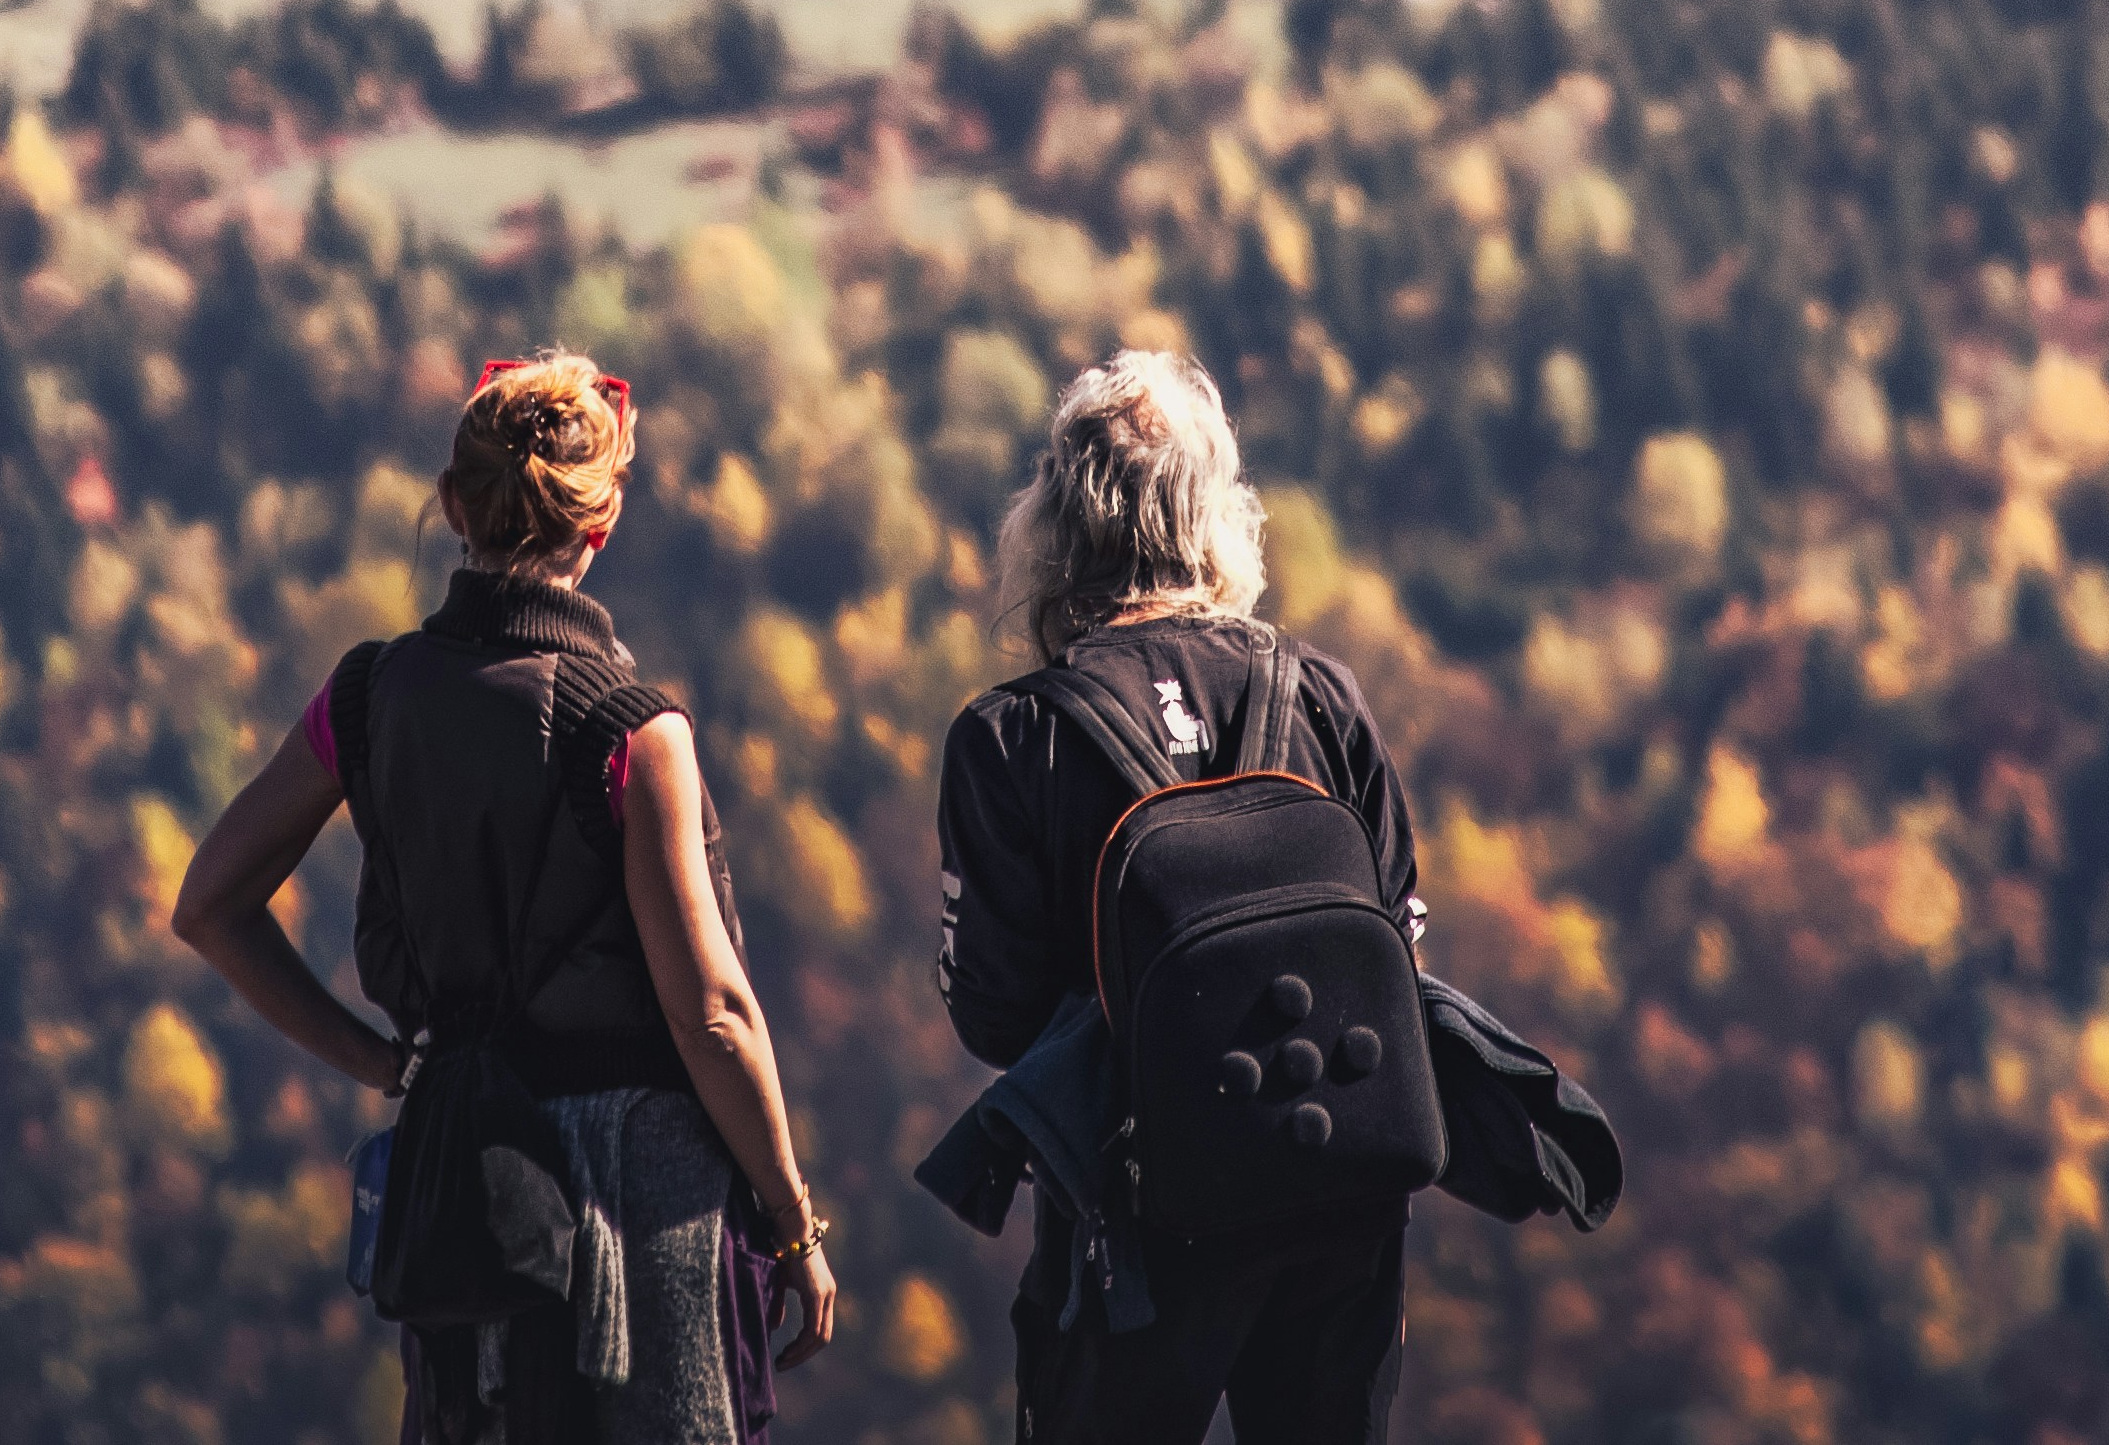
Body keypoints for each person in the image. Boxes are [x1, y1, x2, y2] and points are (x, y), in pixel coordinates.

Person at [174, 351, 838, 1441]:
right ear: (601, 521)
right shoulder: (632, 733)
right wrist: (792, 1220)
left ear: (453, 507)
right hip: (642, 1214)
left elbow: (209, 906)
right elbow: (712, 1014)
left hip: (461, 1202)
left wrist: (385, 1064)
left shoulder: (366, 697)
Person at [933, 351, 1427, 1444]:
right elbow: (1399, 947)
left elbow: (993, 1016)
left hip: (1138, 1229)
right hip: (1339, 1199)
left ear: (1056, 524)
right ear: (1216, 515)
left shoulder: (1011, 740)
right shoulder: (1323, 696)